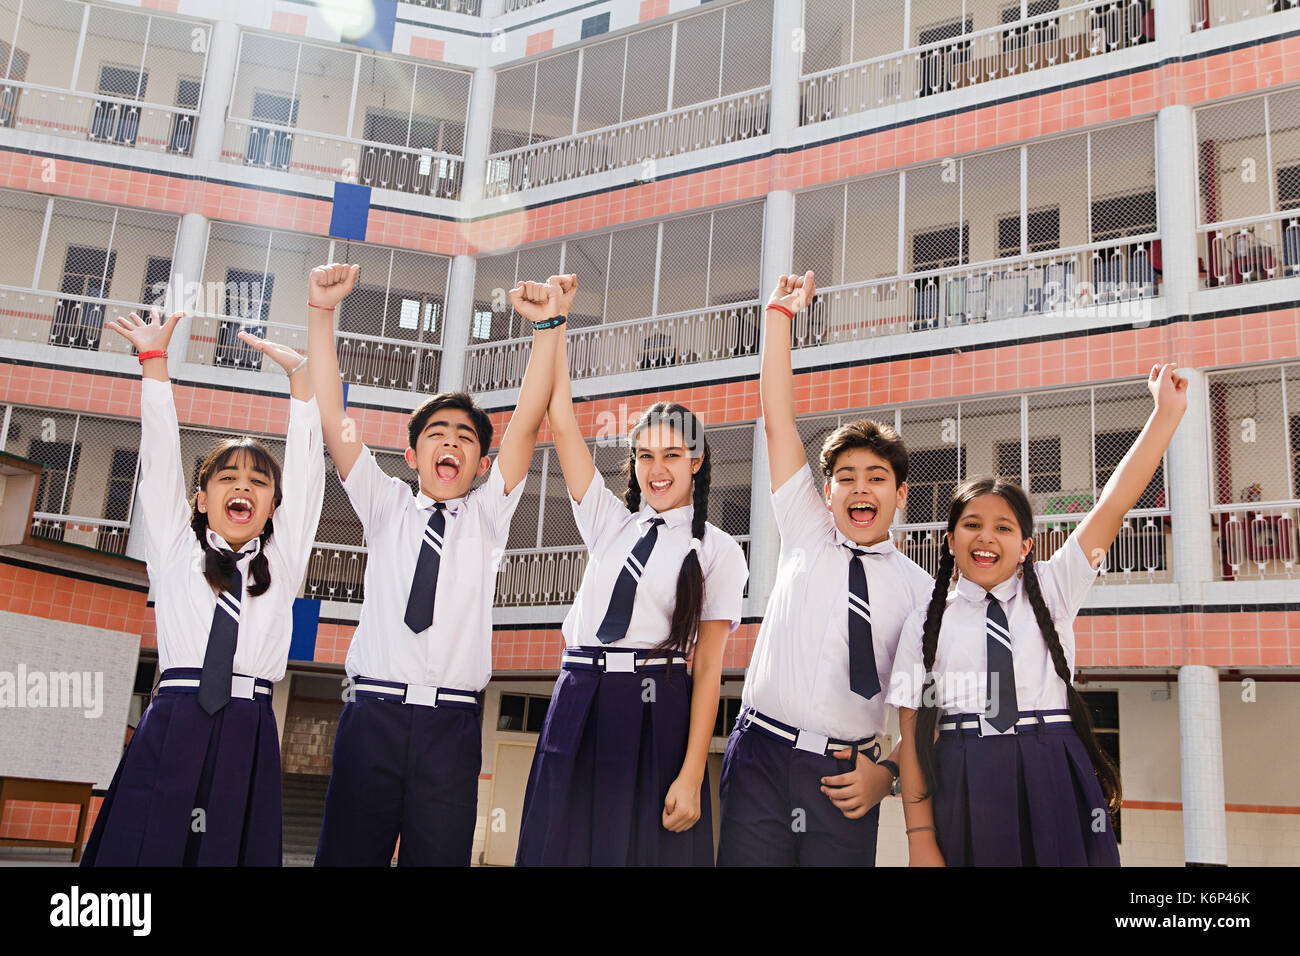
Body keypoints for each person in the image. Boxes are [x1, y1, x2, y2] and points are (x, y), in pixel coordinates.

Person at [307, 264, 564, 866]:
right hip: (372, 715)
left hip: (451, 727)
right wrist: (322, 316)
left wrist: (547, 328)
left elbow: (527, 423)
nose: (451, 444)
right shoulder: (384, 502)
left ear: (480, 464)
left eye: (466, 439)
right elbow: (332, 417)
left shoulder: (486, 516)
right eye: (438, 433)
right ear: (412, 451)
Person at [890, 363, 1188, 866]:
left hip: (1053, 761)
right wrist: (920, 836)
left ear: (1027, 545)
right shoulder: (924, 620)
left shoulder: (1054, 586)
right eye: (972, 524)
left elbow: (1113, 506)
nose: (986, 537)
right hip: (967, 773)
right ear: (949, 540)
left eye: (1004, 528)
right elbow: (916, 739)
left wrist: (1164, 415)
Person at [515, 274, 748, 866]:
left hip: (653, 705)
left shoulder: (718, 549)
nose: (656, 470)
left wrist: (693, 773)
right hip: (577, 692)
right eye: (645, 456)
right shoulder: (609, 521)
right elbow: (562, 421)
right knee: (556, 849)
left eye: (671, 456)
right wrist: (553, 325)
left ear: (696, 461)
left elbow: (710, 673)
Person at [83, 308, 324, 866]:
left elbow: (309, 476)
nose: (243, 489)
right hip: (175, 719)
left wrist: (302, 385)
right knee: (147, 851)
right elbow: (161, 458)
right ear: (202, 498)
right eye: (228, 479)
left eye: (258, 483)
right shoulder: (174, 550)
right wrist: (154, 363)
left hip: (249, 725)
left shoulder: (282, 562)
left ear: (271, 507)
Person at [716, 271, 933, 866]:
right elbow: (779, 422)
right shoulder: (806, 528)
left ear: (901, 494)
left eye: (877, 479)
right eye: (847, 479)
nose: (861, 490)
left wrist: (885, 774)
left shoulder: (922, 591)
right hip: (761, 753)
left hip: (845, 774)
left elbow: (927, 709)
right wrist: (780, 322)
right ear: (828, 491)